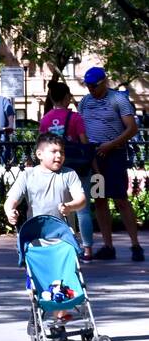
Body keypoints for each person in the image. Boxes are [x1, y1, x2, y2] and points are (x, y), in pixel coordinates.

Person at [78, 67, 143, 261]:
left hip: (114, 155)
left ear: (104, 82)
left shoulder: (118, 100)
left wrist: (111, 144)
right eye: (88, 86)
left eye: (94, 86)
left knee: (120, 199)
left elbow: (132, 128)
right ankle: (108, 246)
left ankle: (135, 245)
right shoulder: (85, 102)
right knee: (99, 199)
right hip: (95, 157)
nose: (91, 89)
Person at [39, 81, 95, 260]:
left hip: (56, 168)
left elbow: (41, 143)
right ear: (67, 98)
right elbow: (84, 142)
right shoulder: (76, 118)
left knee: (63, 208)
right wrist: (94, 166)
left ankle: (69, 245)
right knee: (82, 208)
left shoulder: (46, 119)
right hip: (78, 166)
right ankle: (88, 249)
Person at [3, 132, 87, 226]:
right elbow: (11, 200)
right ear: (39, 154)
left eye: (62, 152)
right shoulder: (27, 175)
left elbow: (81, 200)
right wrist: (10, 212)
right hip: (36, 235)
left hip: (64, 236)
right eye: (54, 151)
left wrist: (69, 206)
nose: (59, 155)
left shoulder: (69, 174)